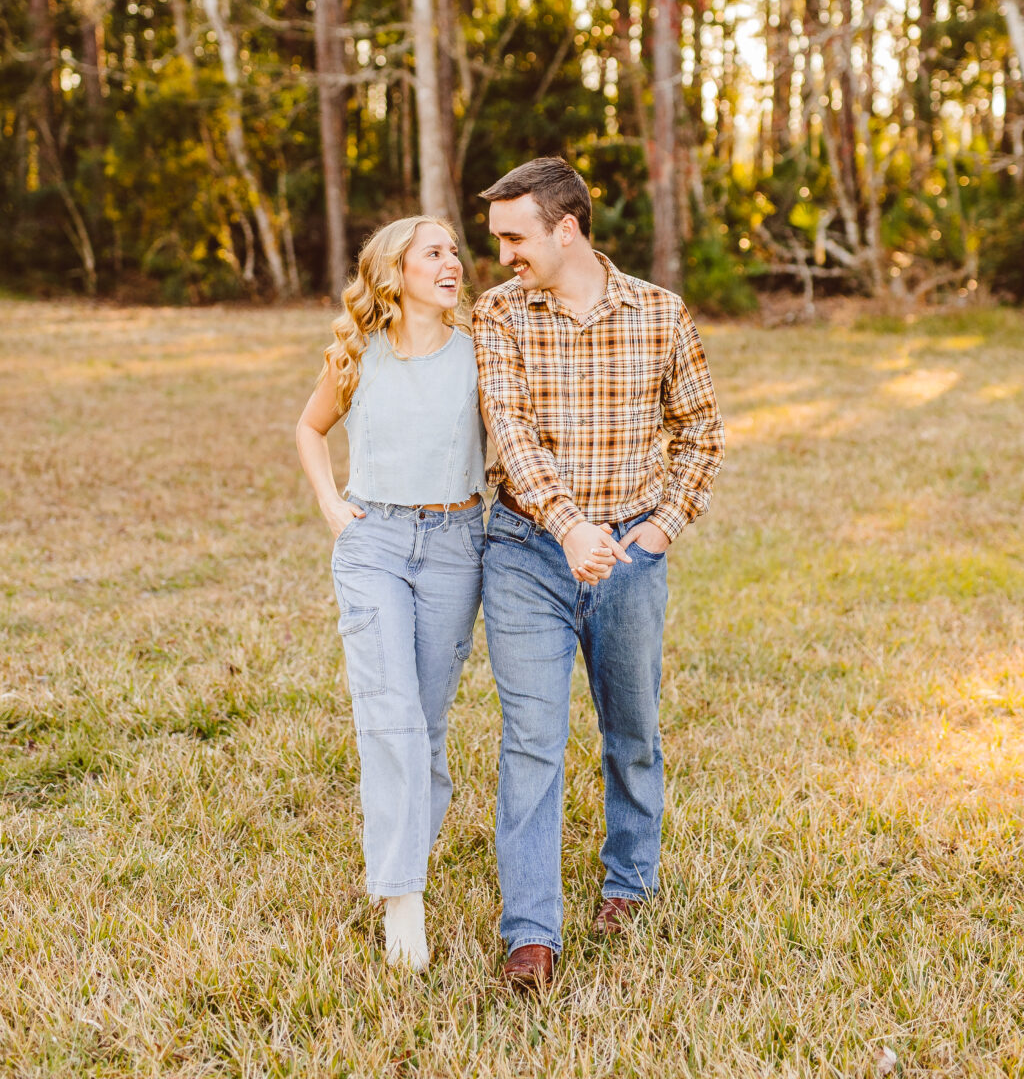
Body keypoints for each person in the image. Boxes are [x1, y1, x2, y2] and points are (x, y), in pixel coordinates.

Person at [472, 157, 725, 989]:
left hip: (628, 557)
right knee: (533, 742)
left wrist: (657, 531)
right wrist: (568, 525)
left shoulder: (659, 314)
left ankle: (630, 884)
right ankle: (531, 934)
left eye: (515, 237)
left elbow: (700, 435)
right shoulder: (499, 314)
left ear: (566, 227)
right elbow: (509, 434)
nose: (504, 253)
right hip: (525, 551)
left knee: (633, 732)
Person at [295, 216, 486, 971]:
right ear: (395, 271)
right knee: (391, 719)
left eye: (454, 252)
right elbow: (310, 430)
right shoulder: (359, 355)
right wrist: (329, 505)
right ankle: (403, 898)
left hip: (455, 546)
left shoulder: (477, 356)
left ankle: (402, 861)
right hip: (374, 545)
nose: (454, 262)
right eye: (434, 252)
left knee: (427, 726)